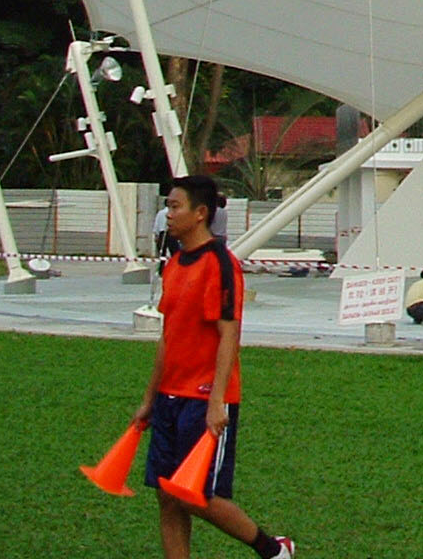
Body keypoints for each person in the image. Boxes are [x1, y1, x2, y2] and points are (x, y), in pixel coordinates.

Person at [133, 175, 295, 559]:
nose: (168, 214)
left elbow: (229, 334)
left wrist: (217, 400)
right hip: (170, 398)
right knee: (167, 494)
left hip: (204, 398)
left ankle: (273, 551)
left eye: (175, 206)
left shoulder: (220, 265)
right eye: (167, 206)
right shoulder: (173, 264)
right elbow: (168, 337)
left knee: (196, 495)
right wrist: (150, 399)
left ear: (200, 213)